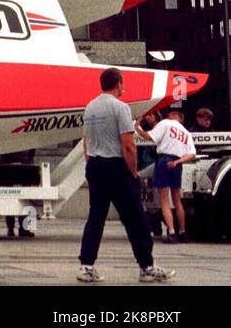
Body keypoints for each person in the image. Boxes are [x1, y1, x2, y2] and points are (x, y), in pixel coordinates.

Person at [77, 69, 173, 283]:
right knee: (135, 218)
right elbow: (128, 144)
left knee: (96, 218)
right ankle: (146, 267)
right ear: (119, 84)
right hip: (116, 167)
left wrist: (91, 163)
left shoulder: (90, 107)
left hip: (95, 164)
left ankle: (86, 266)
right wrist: (133, 172)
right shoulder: (121, 108)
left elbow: (86, 141)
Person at [135, 108, 198, 243]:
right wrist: (177, 161)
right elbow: (192, 154)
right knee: (177, 199)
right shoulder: (186, 132)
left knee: (164, 199)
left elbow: (149, 137)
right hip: (177, 162)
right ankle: (182, 231)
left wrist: (137, 127)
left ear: (172, 116)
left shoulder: (165, 123)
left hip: (164, 160)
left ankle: (171, 232)